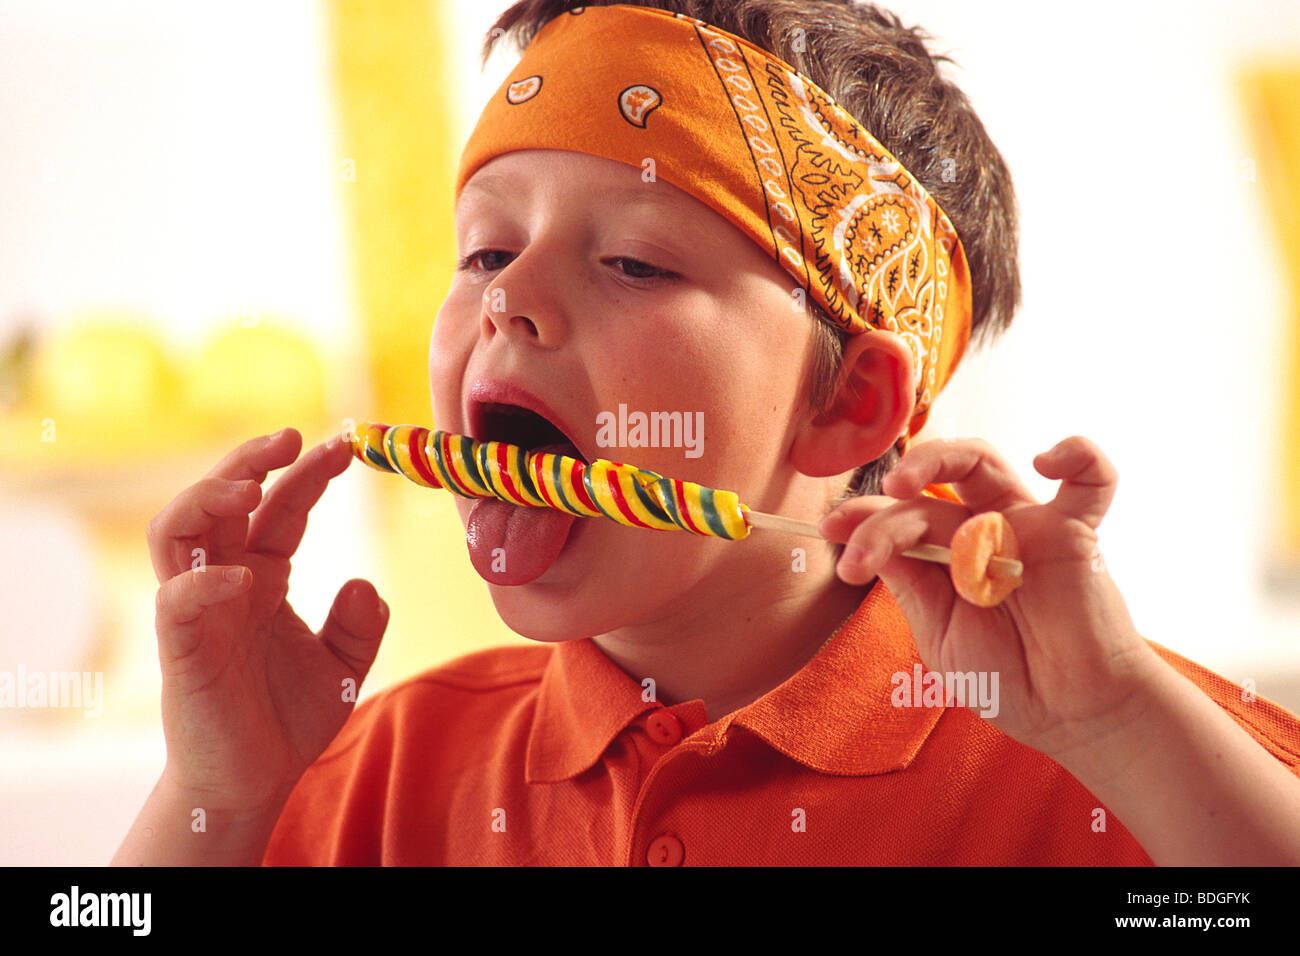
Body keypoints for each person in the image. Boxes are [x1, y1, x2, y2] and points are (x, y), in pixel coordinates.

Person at [112, 1, 1300, 866]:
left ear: (847, 405)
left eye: (631, 259)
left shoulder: (1138, 760)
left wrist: (1120, 724)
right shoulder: (381, 779)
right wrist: (214, 794)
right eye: (483, 248)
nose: (505, 297)